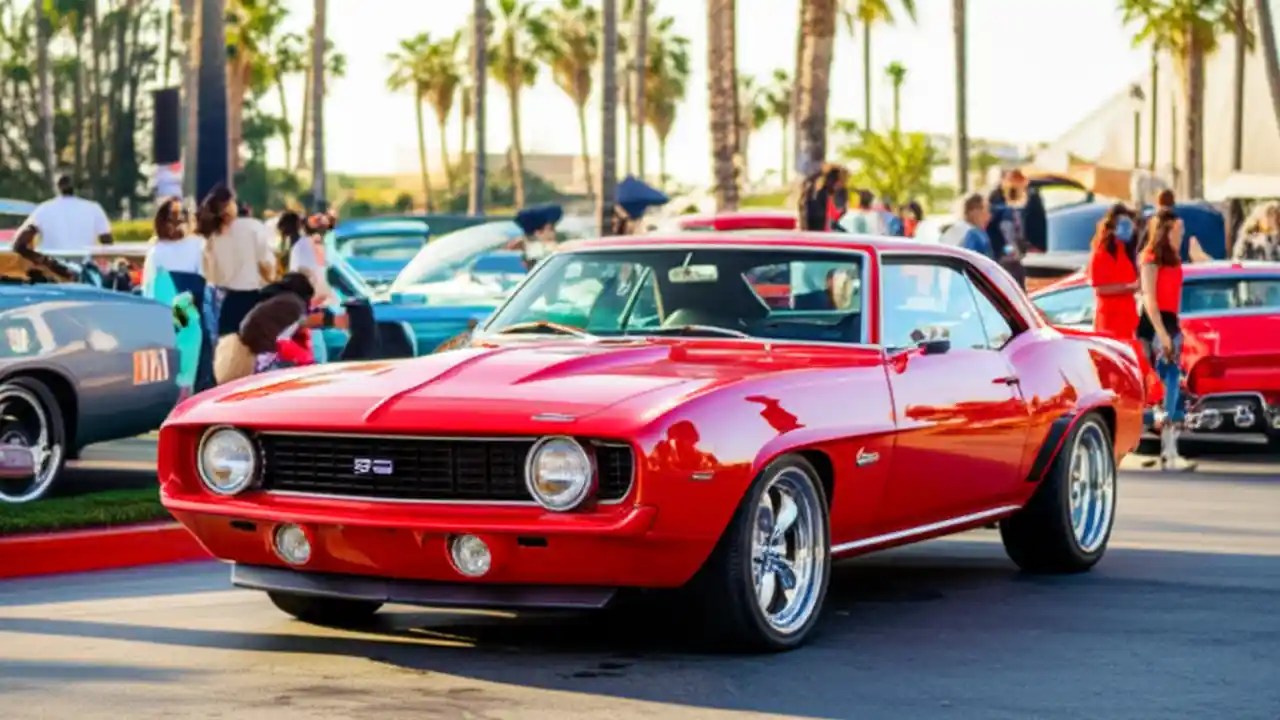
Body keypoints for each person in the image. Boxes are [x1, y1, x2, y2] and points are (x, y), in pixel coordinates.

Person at [1138, 193, 1196, 471]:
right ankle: (1166, 448)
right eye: (1178, 230)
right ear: (1166, 230)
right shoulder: (1151, 258)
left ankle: (1170, 449)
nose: (1182, 234)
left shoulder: (1174, 259)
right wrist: (1161, 333)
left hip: (1171, 323)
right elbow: (1149, 298)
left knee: (1173, 384)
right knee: (1165, 383)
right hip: (1156, 325)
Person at [199, 184, 276, 337]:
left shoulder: (211, 237)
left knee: (228, 353)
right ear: (230, 204)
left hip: (227, 304)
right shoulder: (254, 226)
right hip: (255, 300)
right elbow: (266, 264)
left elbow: (212, 276)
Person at [12, 175, 113, 278]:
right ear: (77, 187)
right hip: (83, 274)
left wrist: (42, 260)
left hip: (51, 273)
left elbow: (18, 244)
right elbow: (107, 242)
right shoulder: (94, 208)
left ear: (57, 187)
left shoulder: (44, 209)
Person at [1087, 204, 1141, 339]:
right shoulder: (1101, 252)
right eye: (1122, 224)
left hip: (1128, 318)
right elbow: (1099, 288)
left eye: (1129, 224)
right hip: (1109, 321)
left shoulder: (1126, 250)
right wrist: (1129, 287)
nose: (1128, 229)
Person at [941, 193, 995, 259]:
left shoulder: (952, 231)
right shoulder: (974, 235)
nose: (989, 216)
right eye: (987, 210)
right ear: (975, 212)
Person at [514, 203, 563, 268]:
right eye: (551, 228)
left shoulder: (523, 250)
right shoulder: (543, 252)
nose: (554, 232)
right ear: (538, 232)